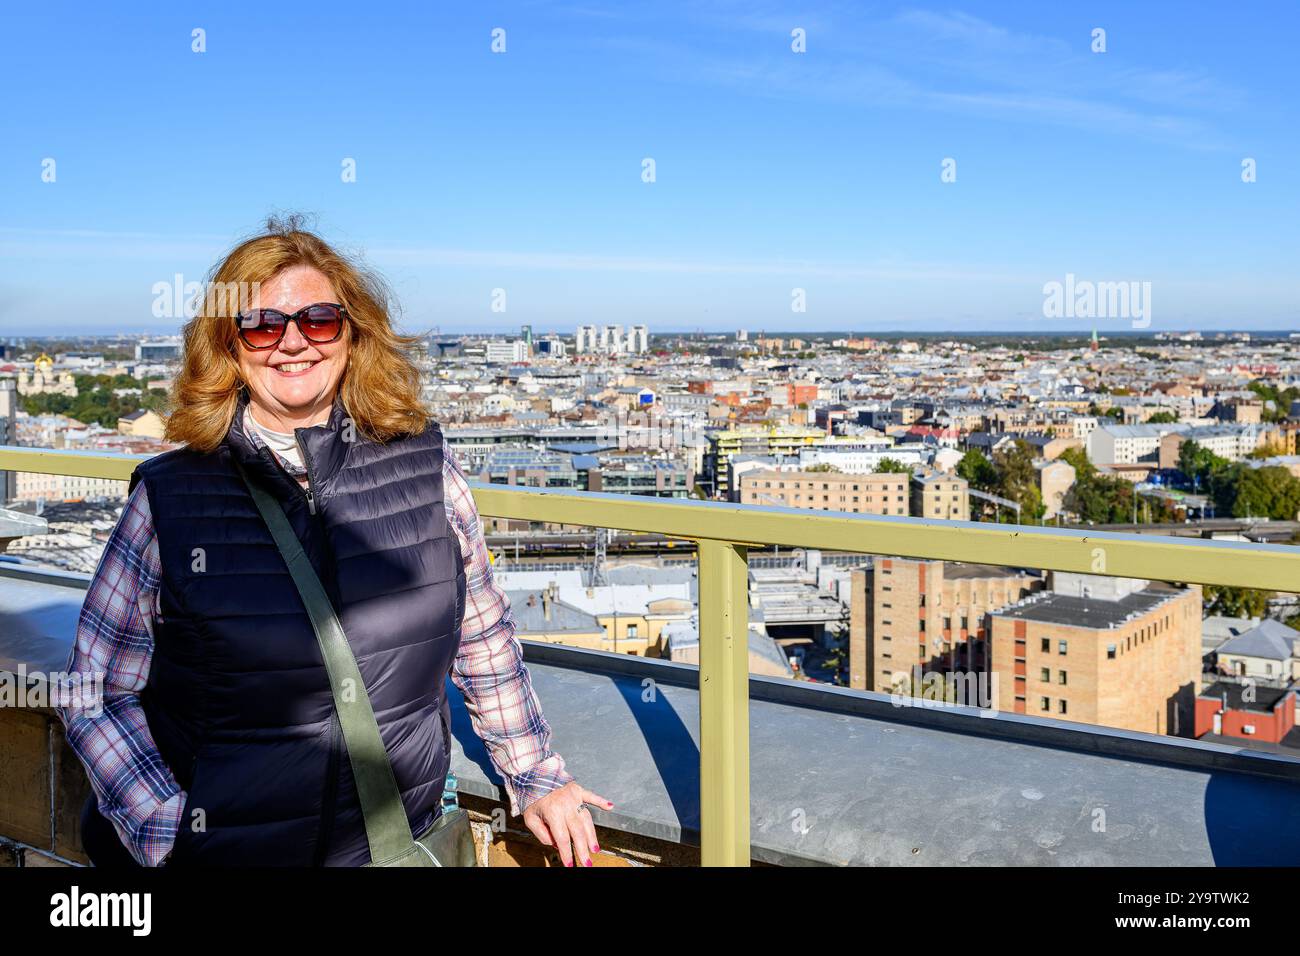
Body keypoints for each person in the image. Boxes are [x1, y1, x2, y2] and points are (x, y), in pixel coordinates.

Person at [56, 218, 612, 867]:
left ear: (353, 336)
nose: (292, 342)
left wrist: (535, 775)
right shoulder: (171, 497)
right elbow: (95, 689)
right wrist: (165, 828)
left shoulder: (425, 467)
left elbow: (479, 633)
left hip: (383, 849)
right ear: (229, 347)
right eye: (261, 324)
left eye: (318, 319)